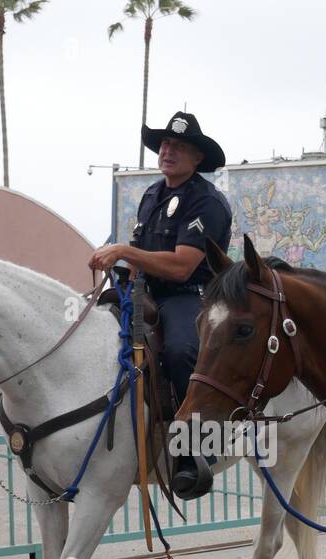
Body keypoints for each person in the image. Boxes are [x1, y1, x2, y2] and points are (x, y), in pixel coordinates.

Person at [89, 111, 232, 494]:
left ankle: (196, 449)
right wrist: (122, 276)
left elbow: (184, 266)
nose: (168, 151)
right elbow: (141, 254)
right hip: (147, 292)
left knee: (182, 348)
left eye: (179, 146)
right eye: (165, 144)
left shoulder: (207, 203)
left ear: (197, 157)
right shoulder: (152, 195)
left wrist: (121, 250)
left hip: (190, 296)